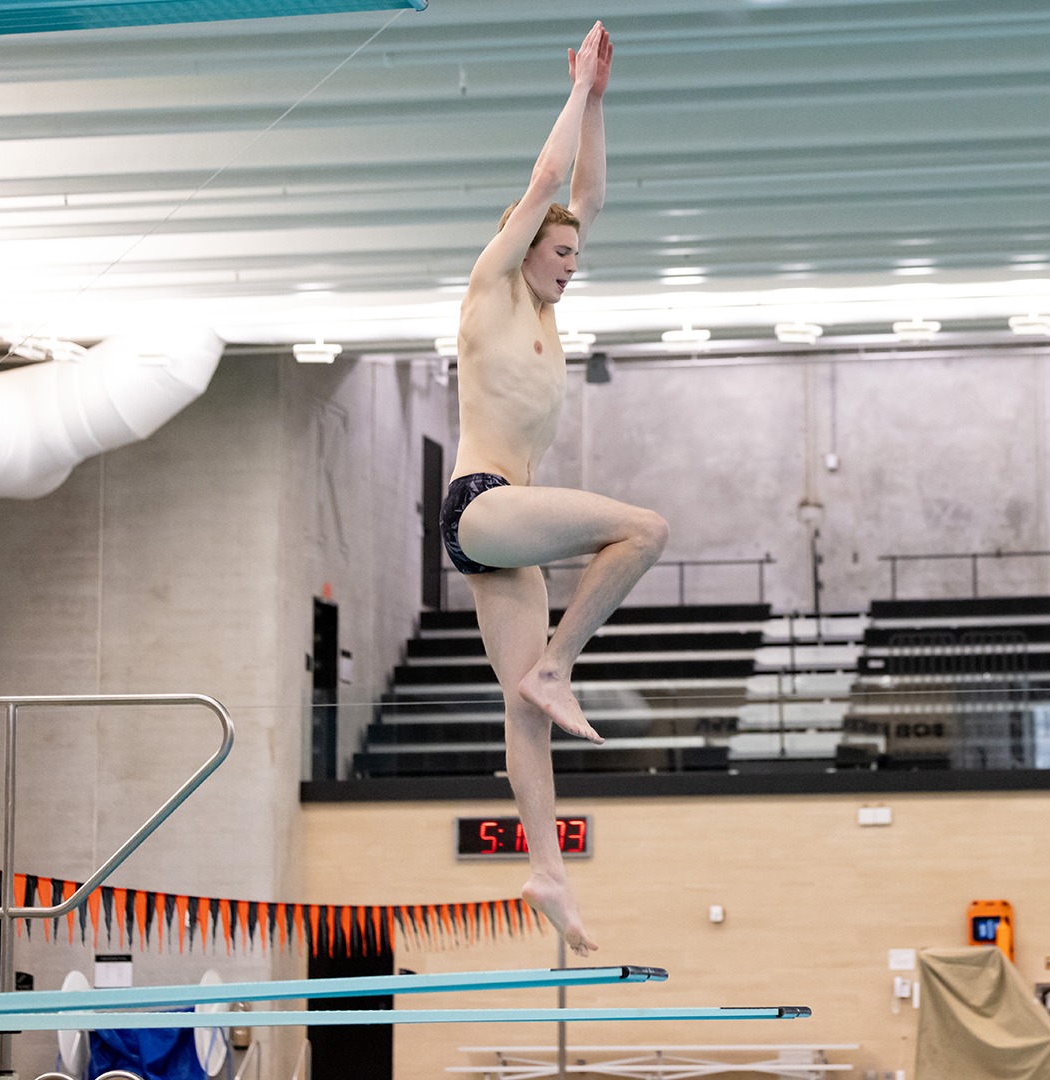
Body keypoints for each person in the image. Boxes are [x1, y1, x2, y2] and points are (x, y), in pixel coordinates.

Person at [440, 21, 668, 957]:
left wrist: (603, 102)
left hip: (505, 530)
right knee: (643, 531)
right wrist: (575, 90)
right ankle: (558, 662)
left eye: (576, 256)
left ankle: (548, 872)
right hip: (483, 502)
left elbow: (587, 196)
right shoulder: (491, 291)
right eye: (561, 254)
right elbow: (548, 183)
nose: (573, 266)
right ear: (525, 246)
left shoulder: (544, 310)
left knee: (522, 711)